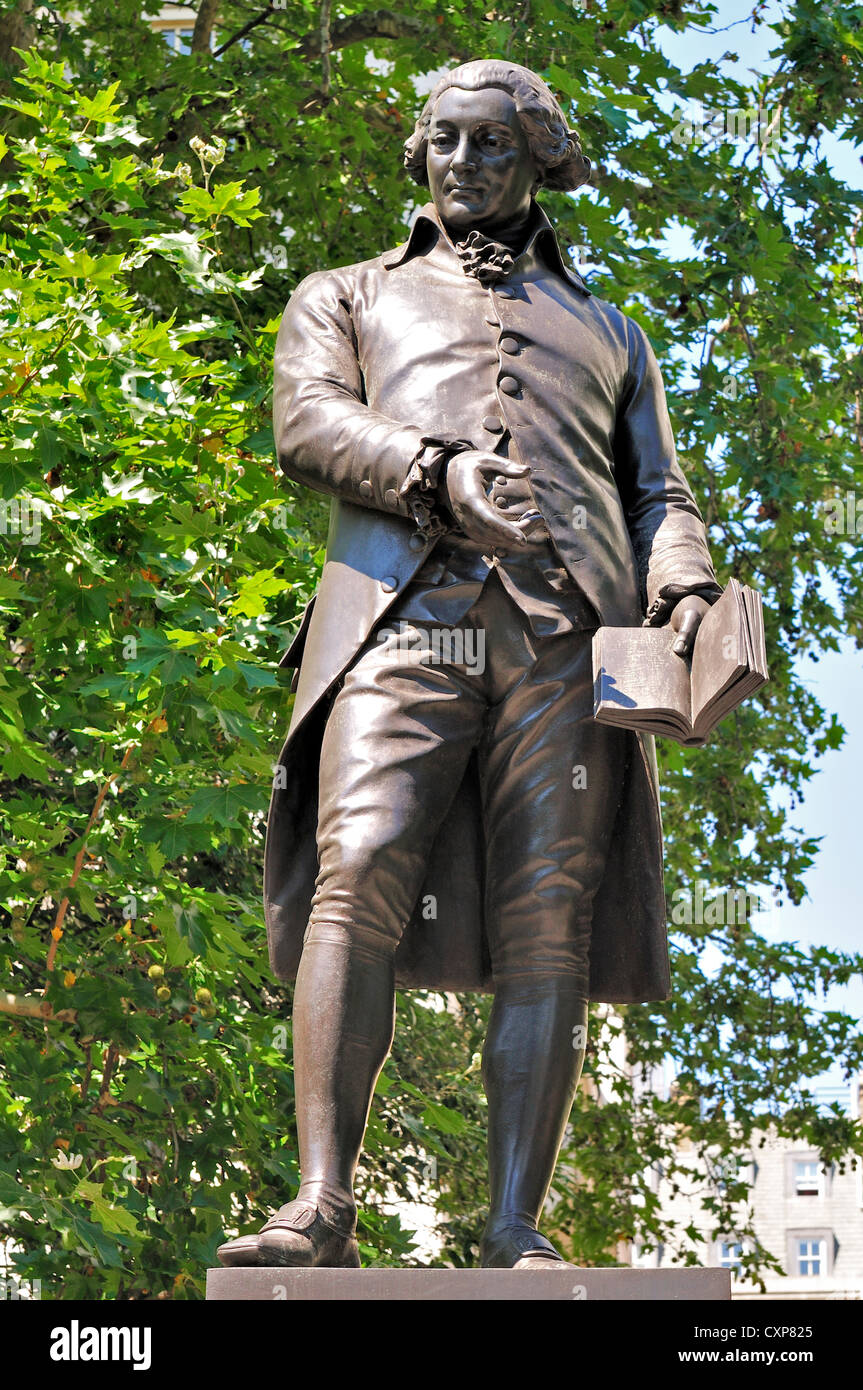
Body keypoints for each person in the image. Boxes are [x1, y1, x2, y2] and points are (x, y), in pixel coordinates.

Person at [217, 59, 721, 1272]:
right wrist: (434, 476)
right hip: (399, 625)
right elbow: (308, 423)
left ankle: (509, 1225)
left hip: (566, 645)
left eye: (491, 145)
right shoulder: (344, 293)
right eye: (444, 141)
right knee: (363, 865)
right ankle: (321, 1205)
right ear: (419, 152)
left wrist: (688, 584)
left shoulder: (609, 329)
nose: (463, 163)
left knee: (548, 921)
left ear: (538, 155)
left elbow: (658, 491)